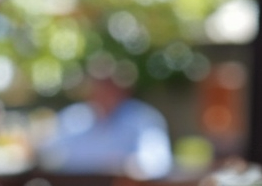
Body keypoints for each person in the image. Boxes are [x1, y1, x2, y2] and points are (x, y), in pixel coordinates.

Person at [38, 74, 173, 178]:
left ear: (123, 89)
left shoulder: (143, 119)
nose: (102, 92)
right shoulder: (74, 117)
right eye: (98, 86)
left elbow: (157, 163)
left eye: (108, 86)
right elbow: (49, 154)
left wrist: (125, 165)